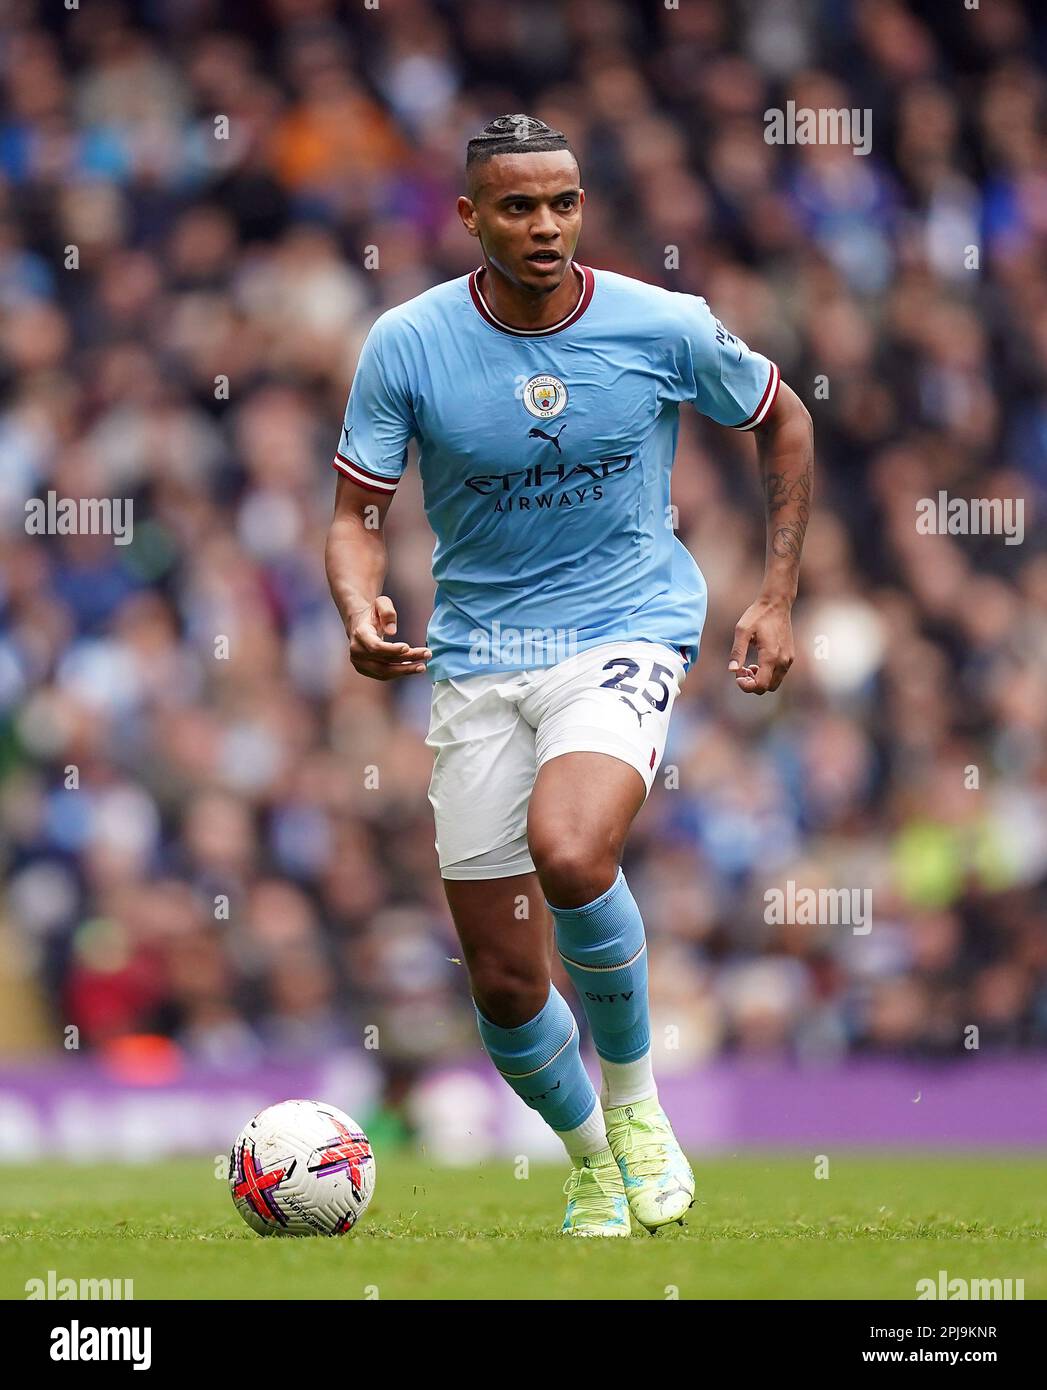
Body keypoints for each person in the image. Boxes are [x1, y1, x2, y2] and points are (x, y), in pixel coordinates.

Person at [326, 115, 813, 1236]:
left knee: (572, 846)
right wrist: (360, 605)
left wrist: (779, 591)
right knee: (502, 981)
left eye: (563, 204)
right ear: (469, 217)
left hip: (626, 625)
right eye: (517, 207)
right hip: (480, 658)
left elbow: (782, 420)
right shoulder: (408, 343)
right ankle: (593, 1161)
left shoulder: (662, 322)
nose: (545, 227)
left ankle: (639, 1109)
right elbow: (356, 515)